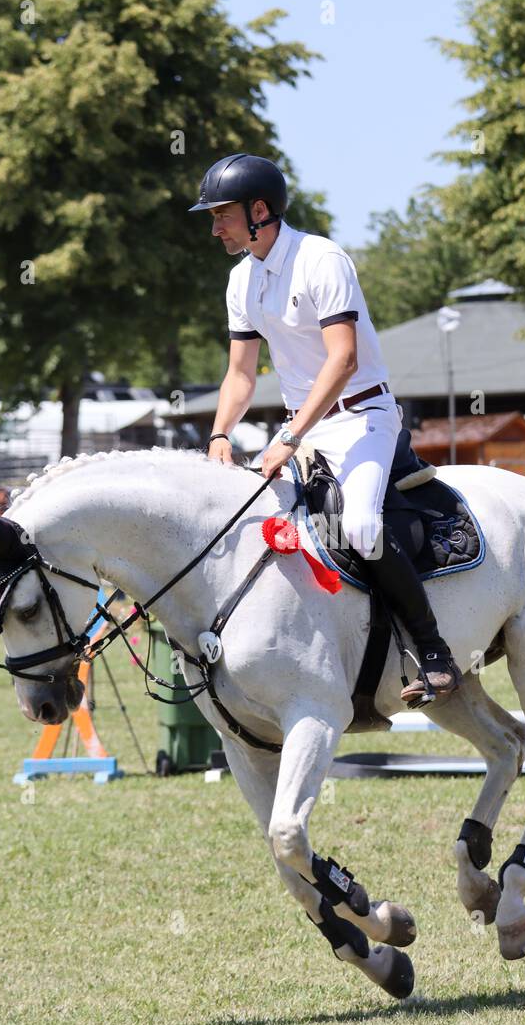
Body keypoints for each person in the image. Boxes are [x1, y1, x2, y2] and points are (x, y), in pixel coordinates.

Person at [189, 152, 462, 704]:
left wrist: (288, 438)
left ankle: (436, 653)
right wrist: (219, 435)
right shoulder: (241, 280)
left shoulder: (322, 259)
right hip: (305, 427)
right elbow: (240, 375)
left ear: (259, 211)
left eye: (222, 214)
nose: (215, 226)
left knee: (359, 524)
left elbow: (343, 361)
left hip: (364, 416)